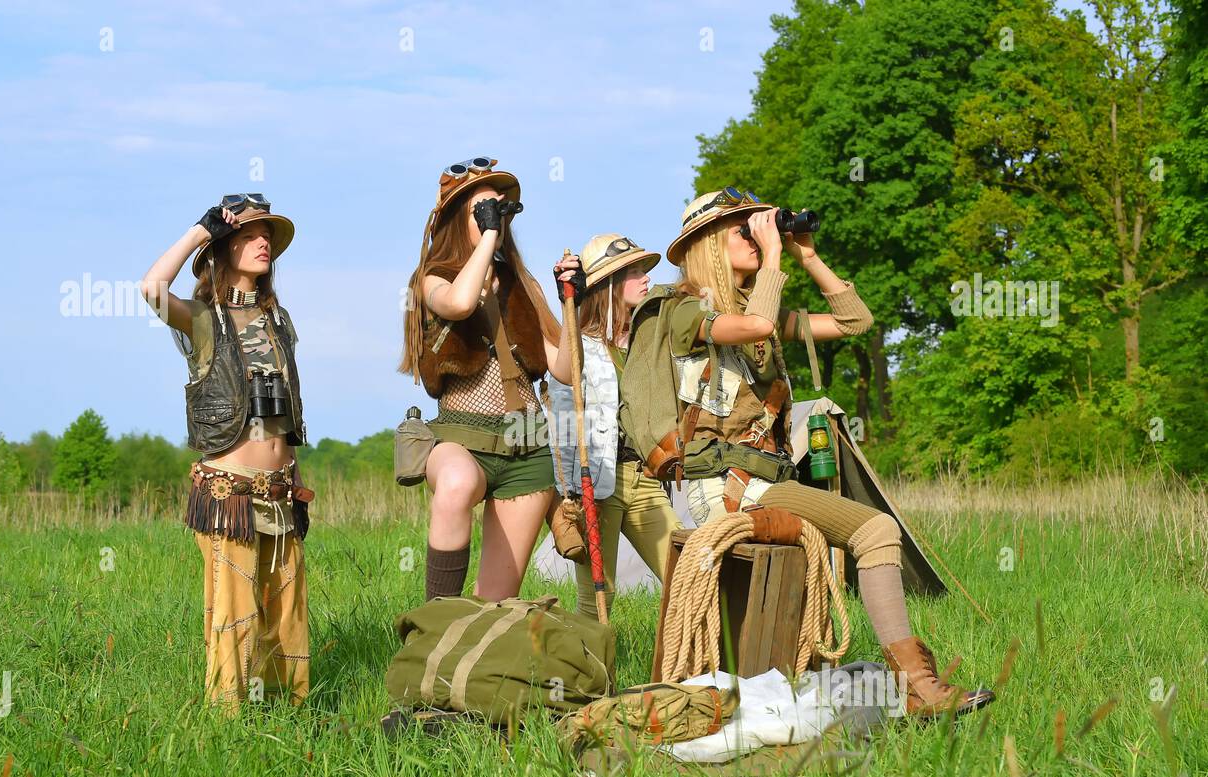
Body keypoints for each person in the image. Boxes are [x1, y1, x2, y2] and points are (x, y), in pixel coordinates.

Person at [639, 187, 993, 718]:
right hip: (728, 487)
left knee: (869, 531)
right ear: (710, 241)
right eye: (744, 229)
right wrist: (775, 255)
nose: (757, 238)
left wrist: (806, 253)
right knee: (877, 530)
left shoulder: (758, 311)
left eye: (758, 228)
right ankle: (916, 685)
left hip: (765, 481)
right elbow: (755, 326)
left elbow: (856, 322)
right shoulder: (685, 311)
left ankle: (900, 686)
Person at [141, 194, 311, 712]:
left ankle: (289, 718)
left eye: (268, 237)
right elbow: (151, 288)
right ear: (222, 248)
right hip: (229, 494)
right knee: (234, 615)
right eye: (250, 235)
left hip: (281, 491)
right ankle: (227, 721)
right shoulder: (201, 320)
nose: (264, 243)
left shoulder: (278, 320)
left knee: (287, 615)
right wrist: (200, 230)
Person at [400, 159, 577, 602]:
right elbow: (459, 303)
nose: (495, 216)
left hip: (526, 445)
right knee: (457, 484)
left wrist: (575, 303)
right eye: (482, 210)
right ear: (459, 219)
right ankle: (433, 628)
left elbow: (566, 370)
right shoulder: (431, 278)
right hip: (463, 438)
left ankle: (474, 661)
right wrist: (490, 236)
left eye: (500, 209)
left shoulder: (522, 284)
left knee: (494, 605)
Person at [547, 235, 683, 620]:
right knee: (596, 599)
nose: (646, 279)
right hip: (597, 482)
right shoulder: (583, 345)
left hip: (644, 477)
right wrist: (569, 492)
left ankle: (691, 674)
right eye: (634, 272)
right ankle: (595, 681)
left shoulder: (647, 342)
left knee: (685, 574)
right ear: (607, 285)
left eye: (645, 271)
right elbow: (562, 392)